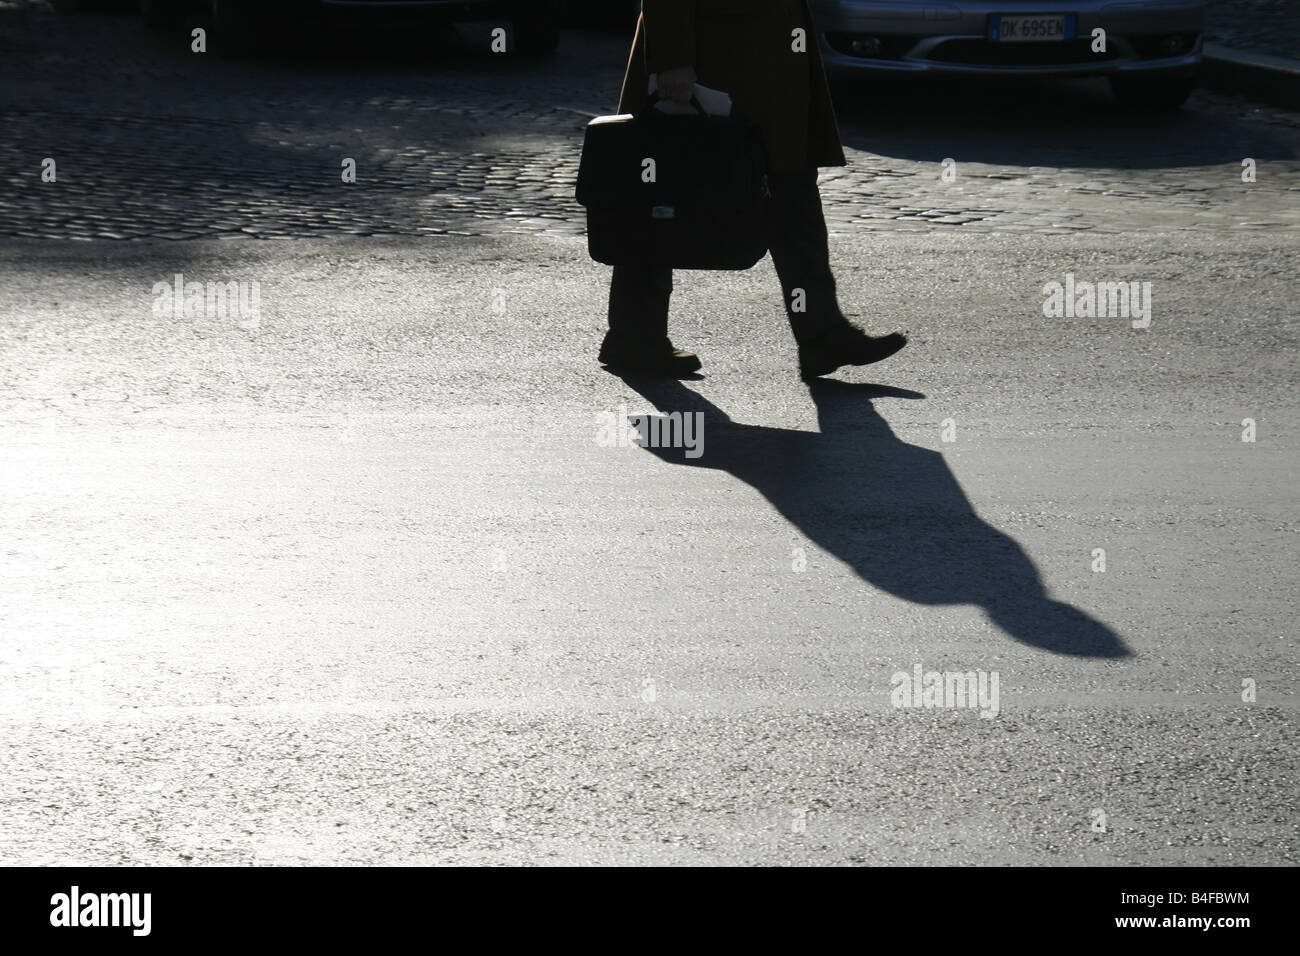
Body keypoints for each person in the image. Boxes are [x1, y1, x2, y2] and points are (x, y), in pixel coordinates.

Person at [598, 0, 909, 380]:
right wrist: (671, 58)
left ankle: (822, 334)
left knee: (792, 203)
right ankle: (636, 336)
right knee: (659, 202)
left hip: (763, 66)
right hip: (718, 63)